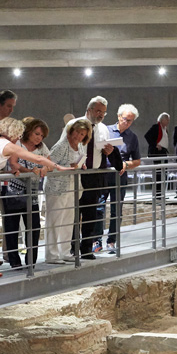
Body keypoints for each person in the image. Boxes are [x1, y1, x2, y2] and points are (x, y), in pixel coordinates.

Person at [0, 117, 66, 279]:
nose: (19, 137)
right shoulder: (8, 145)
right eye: (19, 134)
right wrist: (57, 166)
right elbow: (37, 159)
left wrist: (8, 172)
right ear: (14, 133)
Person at [76, 96, 121, 259]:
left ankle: (86, 248)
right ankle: (73, 248)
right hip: (77, 175)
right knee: (74, 213)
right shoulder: (75, 124)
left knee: (91, 214)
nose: (101, 114)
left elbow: (104, 150)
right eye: (98, 111)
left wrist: (109, 152)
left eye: (104, 112)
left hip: (95, 176)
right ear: (89, 110)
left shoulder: (103, 129)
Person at [2, 117, 50, 268]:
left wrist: (44, 168)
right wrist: (29, 171)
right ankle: (14, 261)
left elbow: (50, 162)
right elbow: (13, 163)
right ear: (28, 132)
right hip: (13, 190)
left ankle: (31, 261)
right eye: (36, 134)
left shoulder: (42, 147)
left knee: (34, 226)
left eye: (41, 135)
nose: (39, 138)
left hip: (32, 193)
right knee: (12, 227)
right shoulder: (17, 144)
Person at [44, 118, 91, 264]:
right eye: (77, 132)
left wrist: (80, 166)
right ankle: (51, 254)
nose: (78, 136)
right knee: (55, 220)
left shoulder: (81, 147)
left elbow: (79, 162)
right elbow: (49, 164)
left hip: (73, 186)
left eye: (82, 134)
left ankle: (64, 251)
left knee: (68, 220)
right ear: (71, 131)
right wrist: (66, 165)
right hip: (58, 187)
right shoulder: (61, 145)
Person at [105, 104, 142, 252]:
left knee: (116, 209)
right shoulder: (106, 131)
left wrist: (126, 164)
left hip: (120, 176)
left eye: (130, 121)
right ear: (119, 117)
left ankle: (111, 241)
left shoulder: (132, 137)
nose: (127, 123)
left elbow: (137, 161)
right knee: (98, 207)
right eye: (126, 119)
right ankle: (95, 240)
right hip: (102, 174)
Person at [143, 112, 170, 199]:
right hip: (157, 152)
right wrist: (155, 144)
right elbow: (147, 136)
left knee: (163, 173)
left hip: (163, 152)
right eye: (167, 119)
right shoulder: (155, 127)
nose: (168, 121)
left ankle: (162, 193)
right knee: (158, 174)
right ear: (162, 120)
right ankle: (158, 194)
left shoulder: (165, 128)